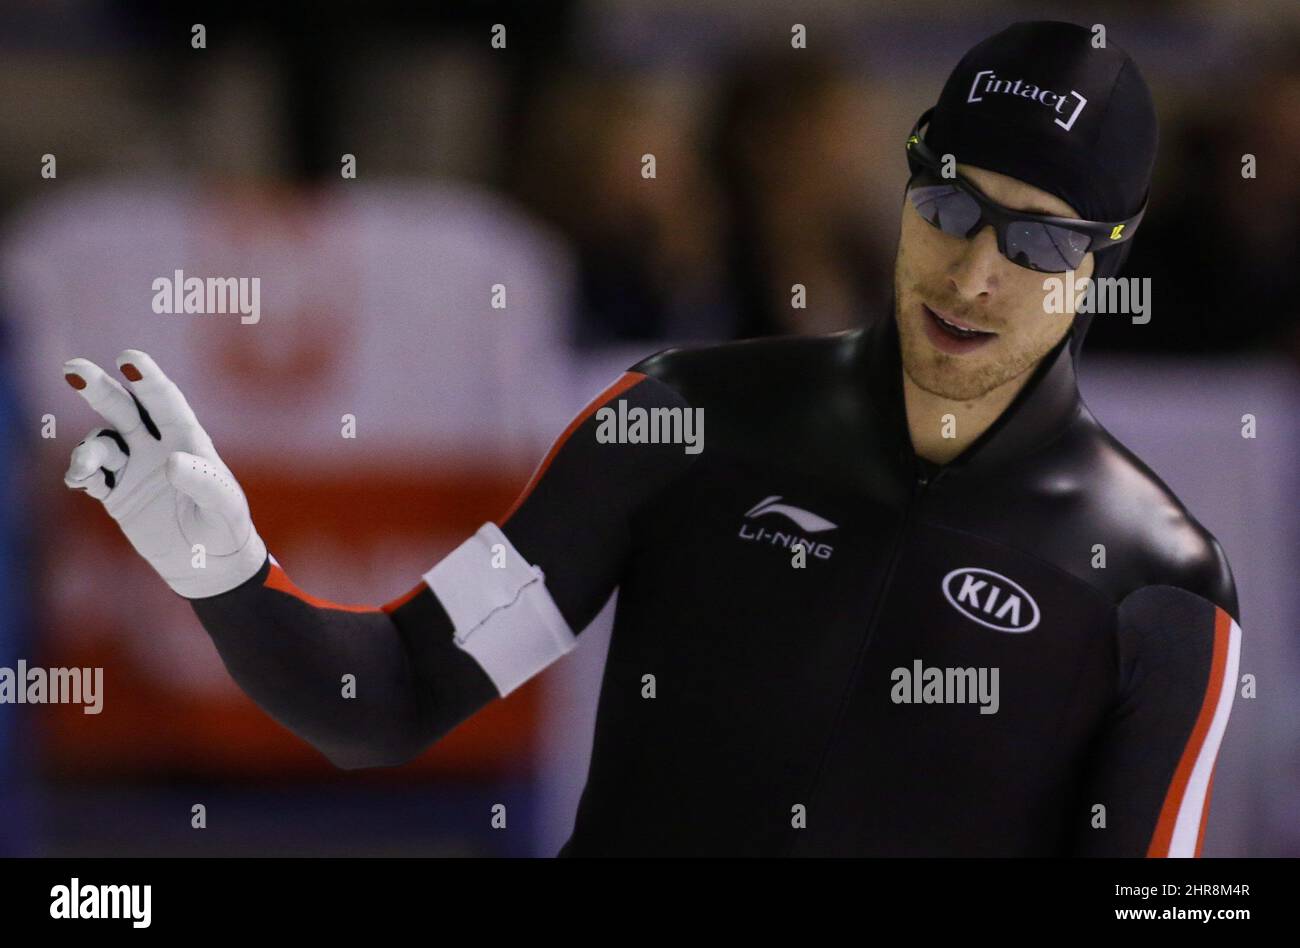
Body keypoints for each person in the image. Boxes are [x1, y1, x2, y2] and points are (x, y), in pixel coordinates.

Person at [62, 21, 1241, 856]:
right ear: (905, 180)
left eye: (1035, 245)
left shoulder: (1155, 586)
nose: (974, 274)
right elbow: (393, 698)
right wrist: (225, 575)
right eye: (947, 208)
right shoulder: (681, 420)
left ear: (1106, 259)